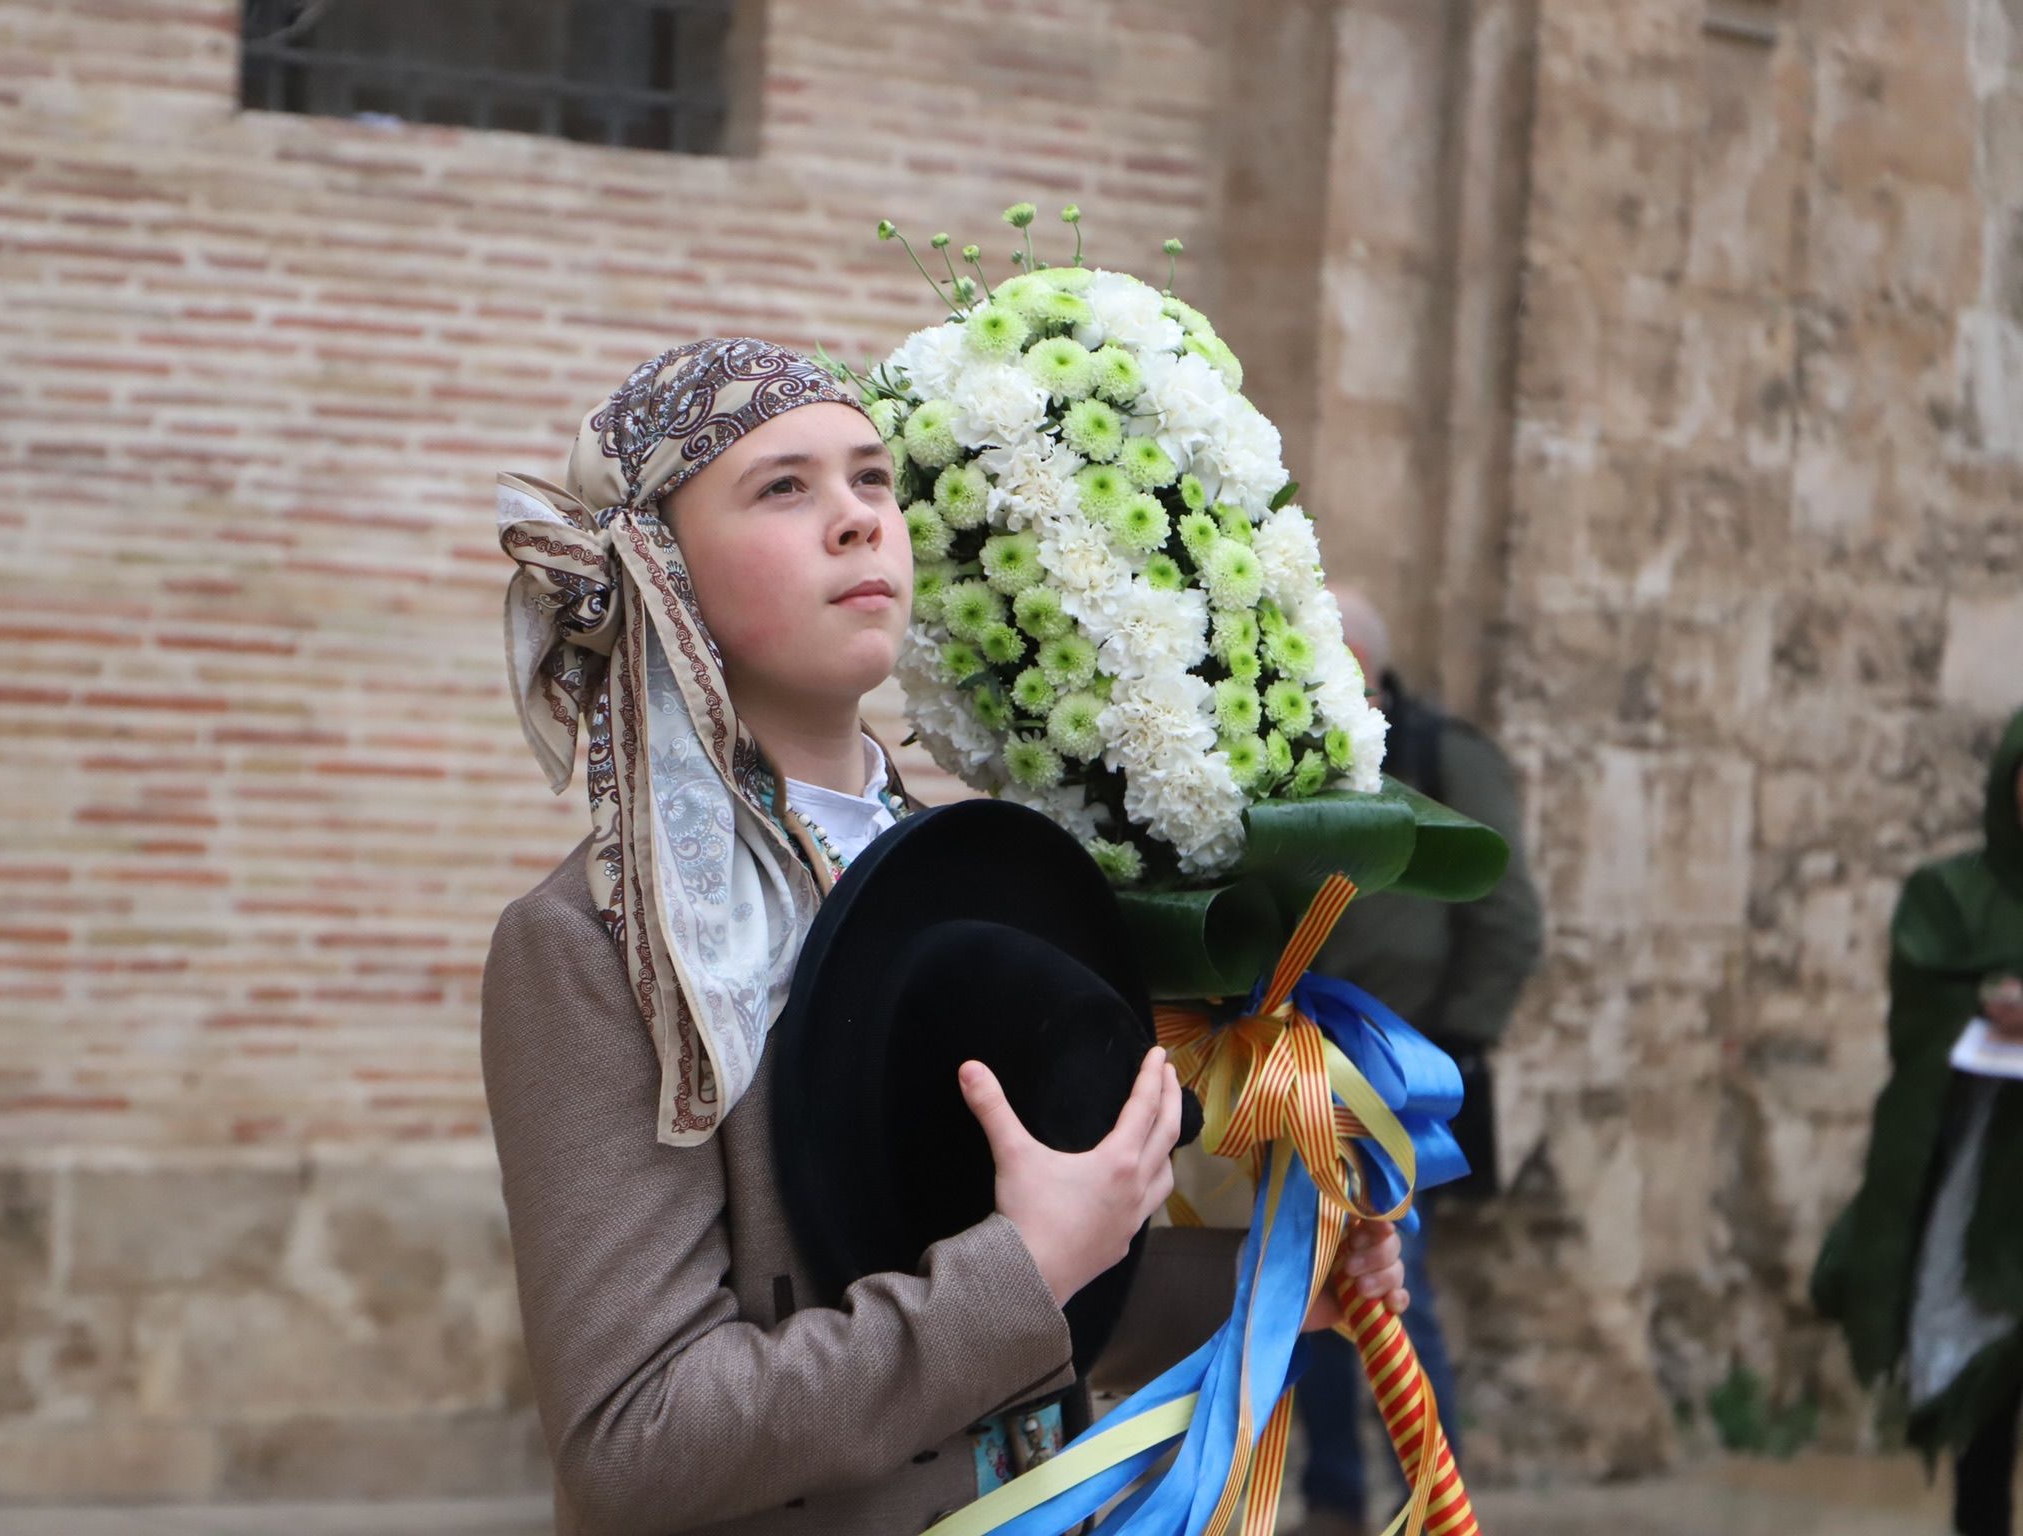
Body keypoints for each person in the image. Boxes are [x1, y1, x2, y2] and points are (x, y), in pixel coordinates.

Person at [479, 338, 1411, 1536]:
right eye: (783, 487)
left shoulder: (981, 874)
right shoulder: (593, 945)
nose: (860, 519)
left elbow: (1010, 1274)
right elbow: (636, 1439)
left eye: (873, 479)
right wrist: (1028, 1266)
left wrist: (1272, 1283)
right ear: (661, 565)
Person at [1286, 586, 1545, 1536]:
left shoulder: (1446, 759)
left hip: (1400, 1071)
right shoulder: (1291, 755)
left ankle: (1437, 1497)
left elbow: (1508, 916)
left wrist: (1458, 1043)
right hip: (1292, 1062)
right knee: (1299, 1274)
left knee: (1398, 1287)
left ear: (1365, 662)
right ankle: (1333, 1496)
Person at [1814, 706, 2023, 1536]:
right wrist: (1988, 1003)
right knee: (1986, 1411)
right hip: (1985, 1190)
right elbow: (1923, 1012)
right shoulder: (1951, 895)